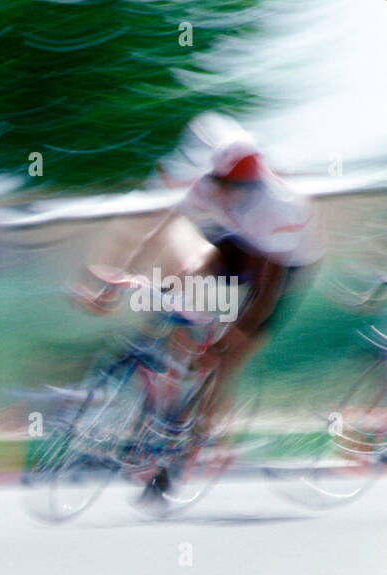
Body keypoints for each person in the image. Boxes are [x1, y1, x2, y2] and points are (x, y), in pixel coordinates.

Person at [83, 130, 324, 500]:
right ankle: (173, 360)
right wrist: (116, 279)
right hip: (242, 239)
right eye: (227, 187)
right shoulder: (208, 185)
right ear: (216, 178)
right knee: (190, 273)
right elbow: (158, 229)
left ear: (256, 186)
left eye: (243, 189)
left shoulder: (276, 208)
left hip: (285, 261)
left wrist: (224, 344)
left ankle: (179, 459)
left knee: (226, 359)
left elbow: (263, 300)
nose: (232, 195)